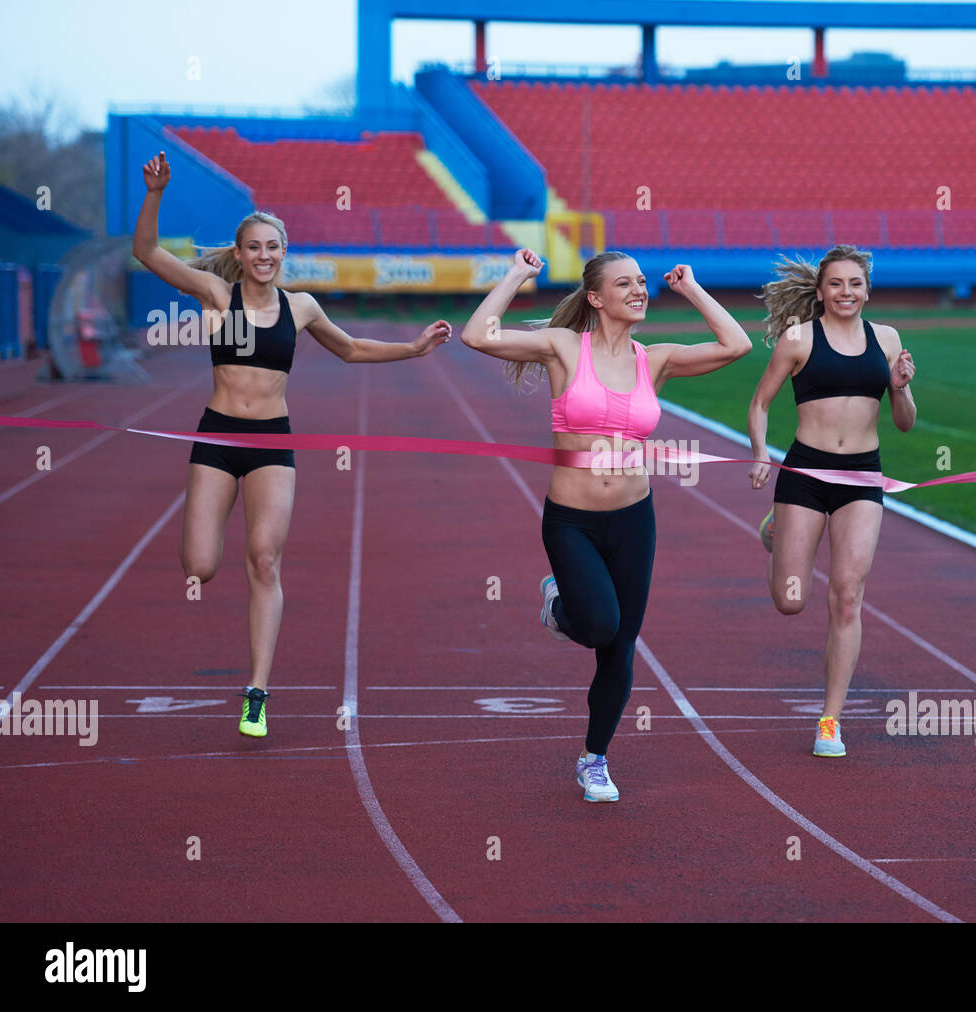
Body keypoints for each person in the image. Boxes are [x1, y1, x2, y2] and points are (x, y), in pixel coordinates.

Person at [132, 151, 450, 737]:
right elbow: (147, 253)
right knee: (199, 565)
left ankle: (257, 691)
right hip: (218, 437)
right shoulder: (215, 293)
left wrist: (413, 348)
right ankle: (210, 569)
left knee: (264, 560)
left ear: (284, 252)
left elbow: (351, 348)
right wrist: (154, 194)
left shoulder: (300, 307)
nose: (264, 256)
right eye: (254, 247)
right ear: (239, 253)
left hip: (272, 443)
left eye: (273, 247)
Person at [462, 248, 751, 801]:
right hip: (572, 521)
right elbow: (479, 335)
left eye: (642, 282)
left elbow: (735, 345)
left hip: (634, 520)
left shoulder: (655, 358)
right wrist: (517, 277)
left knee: (619, 646)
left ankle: (595, 758)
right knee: (596, 624)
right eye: (625, 283)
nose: (638, 290)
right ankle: (557, 607)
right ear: (596, 298)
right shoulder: (564, 347)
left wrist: (691, 289)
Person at [747, 245, 916, 758]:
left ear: (867, 290)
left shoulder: (886, 340)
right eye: (837, 284)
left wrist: (903, 388)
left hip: (862, 477)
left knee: (847, 596)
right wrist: (760, 452)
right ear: (820, 292)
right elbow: (760, 403)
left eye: (855, 284)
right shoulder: (798, 339)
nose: (846, 293)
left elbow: (905, 423)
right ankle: (775, 530)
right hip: (804, 473)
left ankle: (830, 721)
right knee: (790, 601)